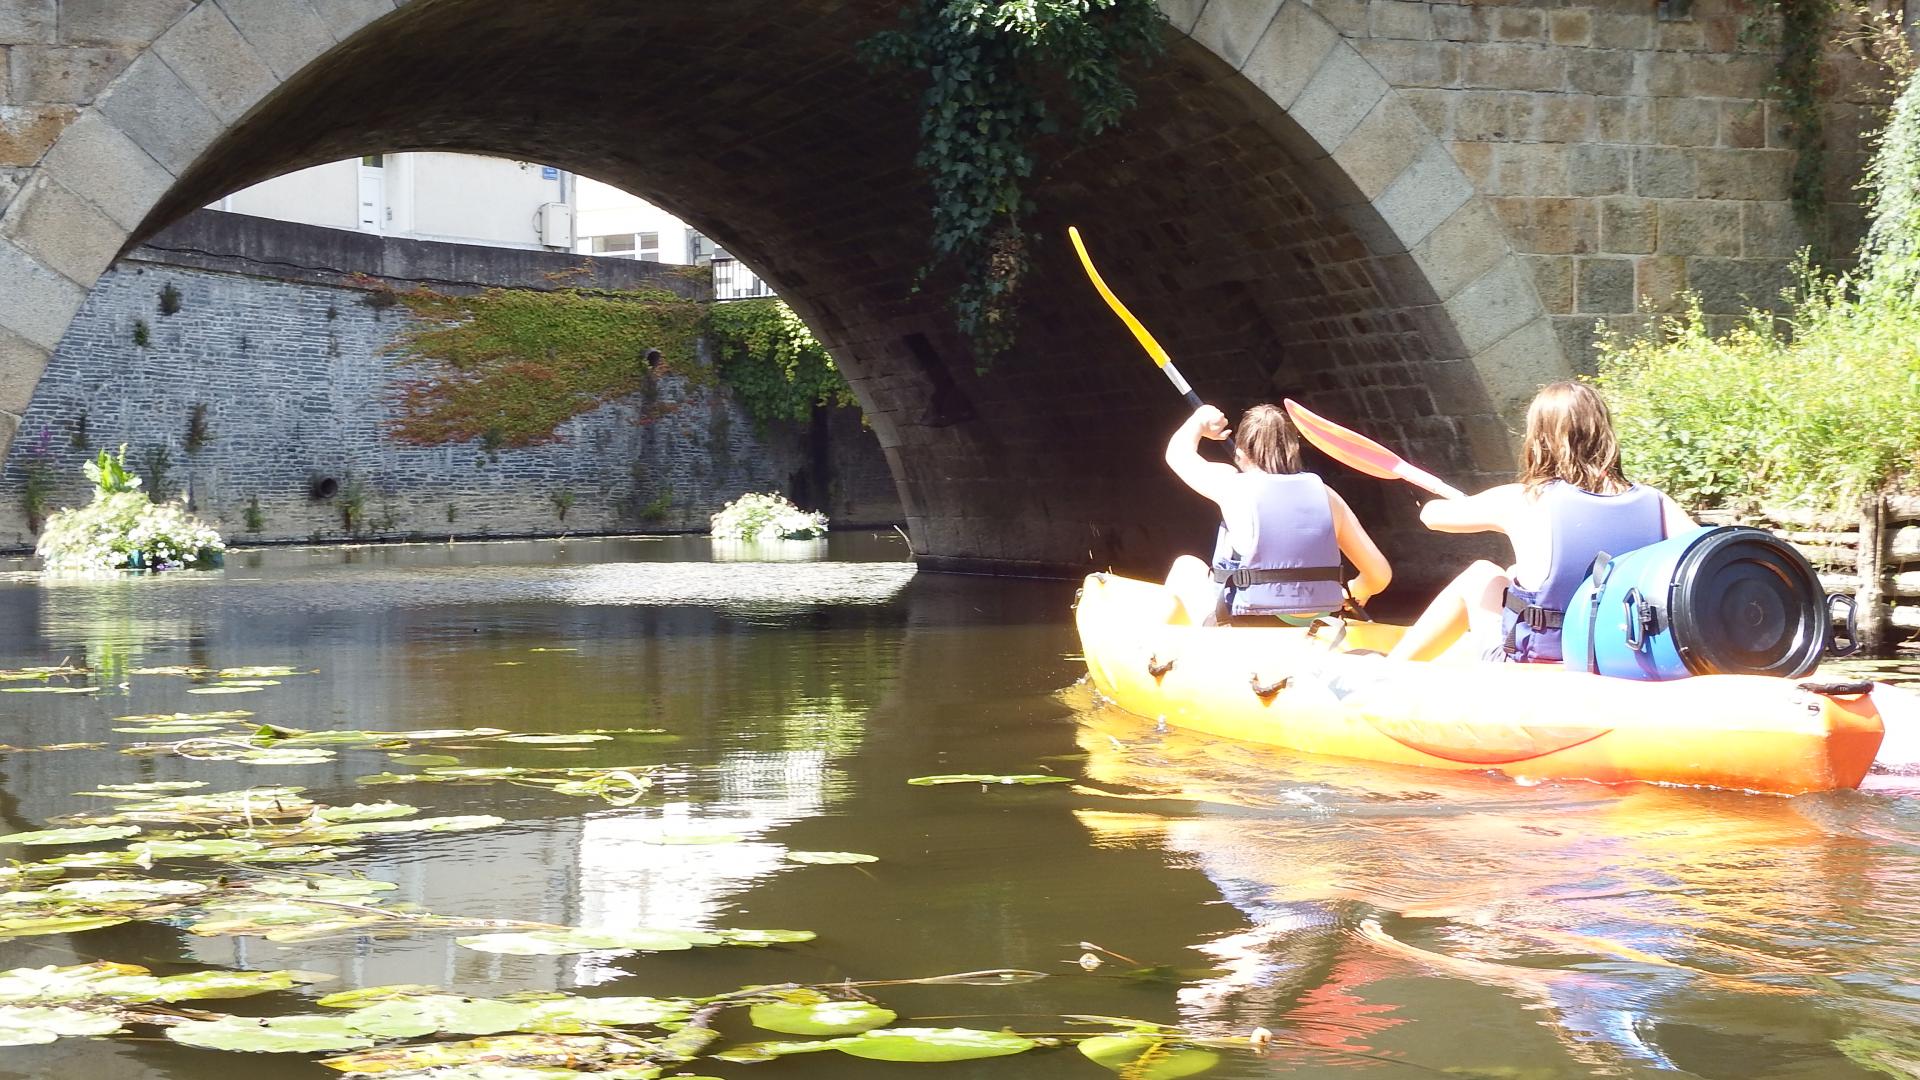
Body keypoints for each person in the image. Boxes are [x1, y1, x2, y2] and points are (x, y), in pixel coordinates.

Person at [1386, 382, 1695, 663]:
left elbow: (1432, 517)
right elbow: (1701, 557)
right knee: (1514, 575)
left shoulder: (1522, 499)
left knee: (1482, 574)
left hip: (1535, 661)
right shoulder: (1656, 502)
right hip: (1624, 655)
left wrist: (1471, 507)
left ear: (1539, 439)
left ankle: (1389, 671)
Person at [1164, 403, 1391, 626]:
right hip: (1315, 620)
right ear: (1294, 449)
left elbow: (1178, 454)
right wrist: (1352, 591)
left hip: (1246, 621)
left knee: (1185, 567)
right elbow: (1379, 575)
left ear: (1240, 453)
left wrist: (1200, 420)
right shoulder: (1327, 496)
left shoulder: (1231, 486)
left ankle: (1160, 652)